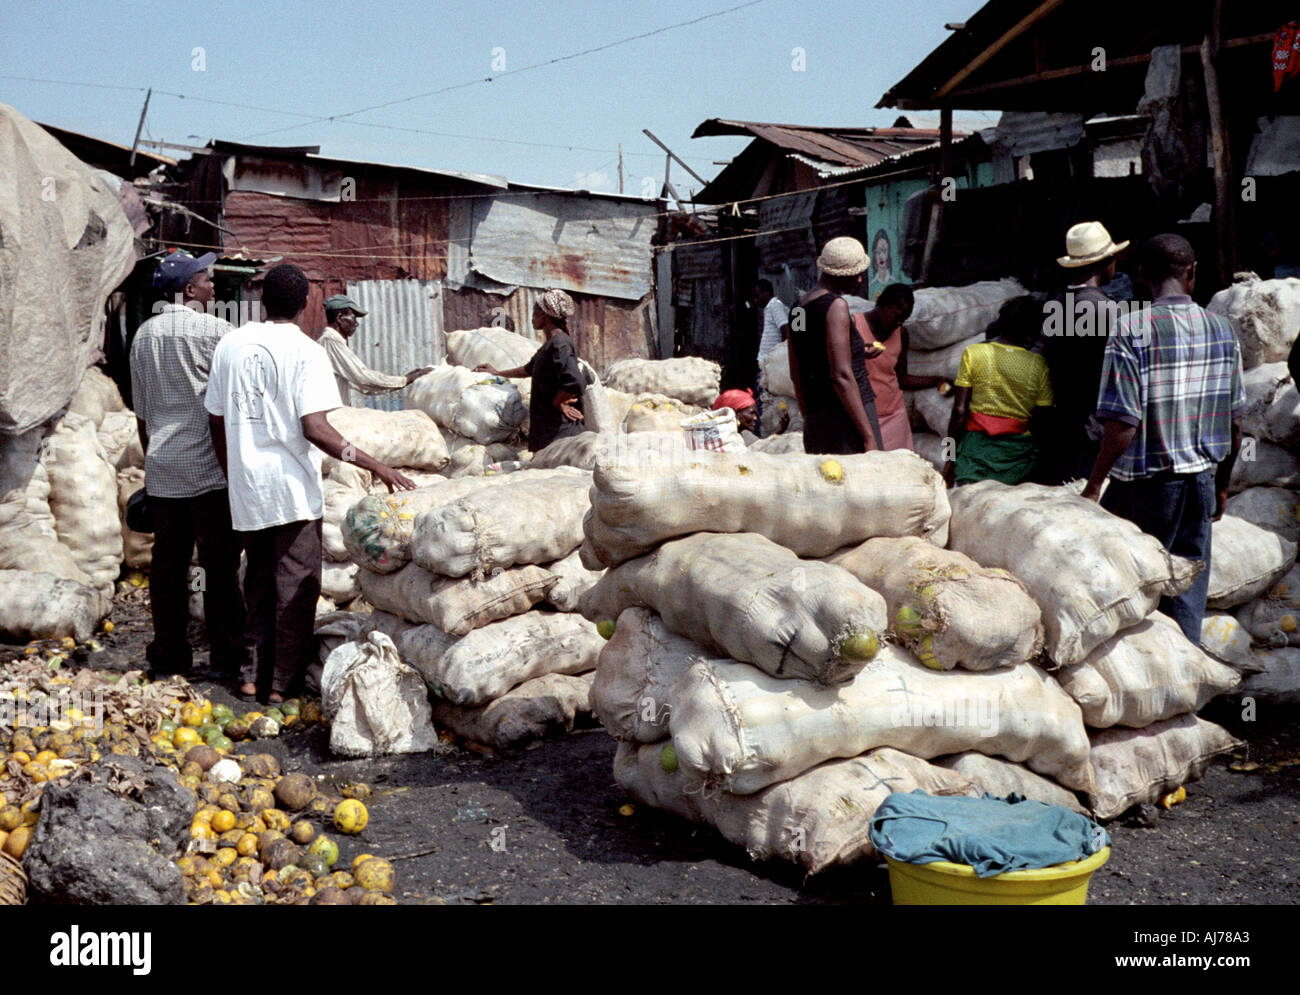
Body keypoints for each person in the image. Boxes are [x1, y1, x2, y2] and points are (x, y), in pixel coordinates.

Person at [205, 264, 416, 703]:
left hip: (248, 490)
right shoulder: (307, 352)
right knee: (296, 588)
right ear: (306, 305)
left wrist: (233, 474)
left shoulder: (230, 344)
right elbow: (315, 428)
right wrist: (376, 465)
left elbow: (216, 419)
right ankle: (282, 685)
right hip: (292, 493)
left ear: (263, 303)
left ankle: (249, 677)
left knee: (258, 582)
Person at [1081, 234, 1244, 642]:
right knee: (1187, 596)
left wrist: (1095, 485)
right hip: (1200, 483)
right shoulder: (1222, 330)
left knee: (1133, 597)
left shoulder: (1130, 329)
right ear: (1192, 273)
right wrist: (1222, 485)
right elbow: (1235, 422)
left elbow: (1122, 424)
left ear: (1141, 277)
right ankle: (1184, 688)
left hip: (1145, 490)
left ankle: (1146, 694)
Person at [130, 250, 247, 680]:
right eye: (206, 279)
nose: (213, 285)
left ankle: (169, 657)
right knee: (219, 568)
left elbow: (141, 415)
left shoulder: (143, 336)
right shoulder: (218, 332)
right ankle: (228, 659)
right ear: (187, 290)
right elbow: (231, 405)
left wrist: (152, 462)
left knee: (167, 570)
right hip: (208, 471)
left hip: (163, 472)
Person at [1036, 222, 1129, 484]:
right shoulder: (1108, 310)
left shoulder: (1055, 304)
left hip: (1062, 422)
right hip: (1096, 428)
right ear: (1106, 261)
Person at [786, 236, 884, 455]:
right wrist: (868, 438)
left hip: (817, 417)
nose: (859, 280)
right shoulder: (836, 305)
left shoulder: (798, 308)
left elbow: (798, 368)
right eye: (856, 274)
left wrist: (809, 418)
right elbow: (840, 375)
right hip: (847, 417)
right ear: (841, 275)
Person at [944, 296, 1054, 486]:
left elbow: (959, 412)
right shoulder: (1038, 365)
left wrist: (949, 457)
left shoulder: (974, 353)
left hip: (975, 454)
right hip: (1018, 458)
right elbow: (1041, 420)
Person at [475, 288, 586, 452]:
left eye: (535, 311)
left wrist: (558, 401)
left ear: (545, 315)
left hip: (561, 436)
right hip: (548, 436)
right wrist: (497, 373)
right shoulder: (550, 346)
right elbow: (528, 370)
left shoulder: (559, 343)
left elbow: (575, 382)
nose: (532, 316)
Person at [853, 283, 950, 450]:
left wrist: (937, 380)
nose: (899, 323)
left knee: (898, 469)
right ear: (884, 306)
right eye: (897, 317)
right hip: (861, 416)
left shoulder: (901, 334)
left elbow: (902, 379)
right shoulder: (854, 326)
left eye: (904, 319)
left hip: (893, 415)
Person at [318, 294, 433, 405]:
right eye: (353, 317)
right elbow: (362, 378)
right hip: (331, 416)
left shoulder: (331, 342)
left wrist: (402, 381)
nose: (356, 323)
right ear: (340, 318)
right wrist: (404, 380)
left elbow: (362, 385)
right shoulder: (331, 341)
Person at [754, 279, 789, 367]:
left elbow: (785, 328)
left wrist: (781, 354)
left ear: (767, 293)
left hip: (773, 362)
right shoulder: (769, 307)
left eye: (757, 296)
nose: (755, 300)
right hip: (766, 360)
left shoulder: (775, 305)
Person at [869, 229, 893, 300]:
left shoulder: (894, 283)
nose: (881, 256)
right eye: (878, 252)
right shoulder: (871, 286)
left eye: (884, 250)